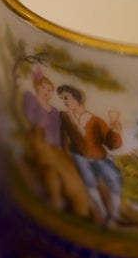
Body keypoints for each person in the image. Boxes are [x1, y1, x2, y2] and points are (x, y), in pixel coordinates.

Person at [21, 69, 91, 217]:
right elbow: (29, 116)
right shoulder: (31, 100)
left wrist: (63, 148)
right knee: (50, 169)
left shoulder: (54, 111)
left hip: (56, 149)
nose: (46, 92)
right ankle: (56, 201)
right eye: (44, 88)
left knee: (66, 172)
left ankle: (79, 206)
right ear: (37, 86)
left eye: (49, 90)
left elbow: (58, 131)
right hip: (41, 145)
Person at [57, 84, 124, 225]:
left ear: (77, 98)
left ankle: (114, 213)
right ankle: (103, 213)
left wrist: (114, 131)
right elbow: (64, 137)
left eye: (66, 98)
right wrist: (64, 155)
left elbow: (111, 145)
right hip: (79, 156)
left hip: (100, 157)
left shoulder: (95, 120)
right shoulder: (65, 116)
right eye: (62, 98)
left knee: (115, 179)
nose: (64, 101)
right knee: (89, 182)